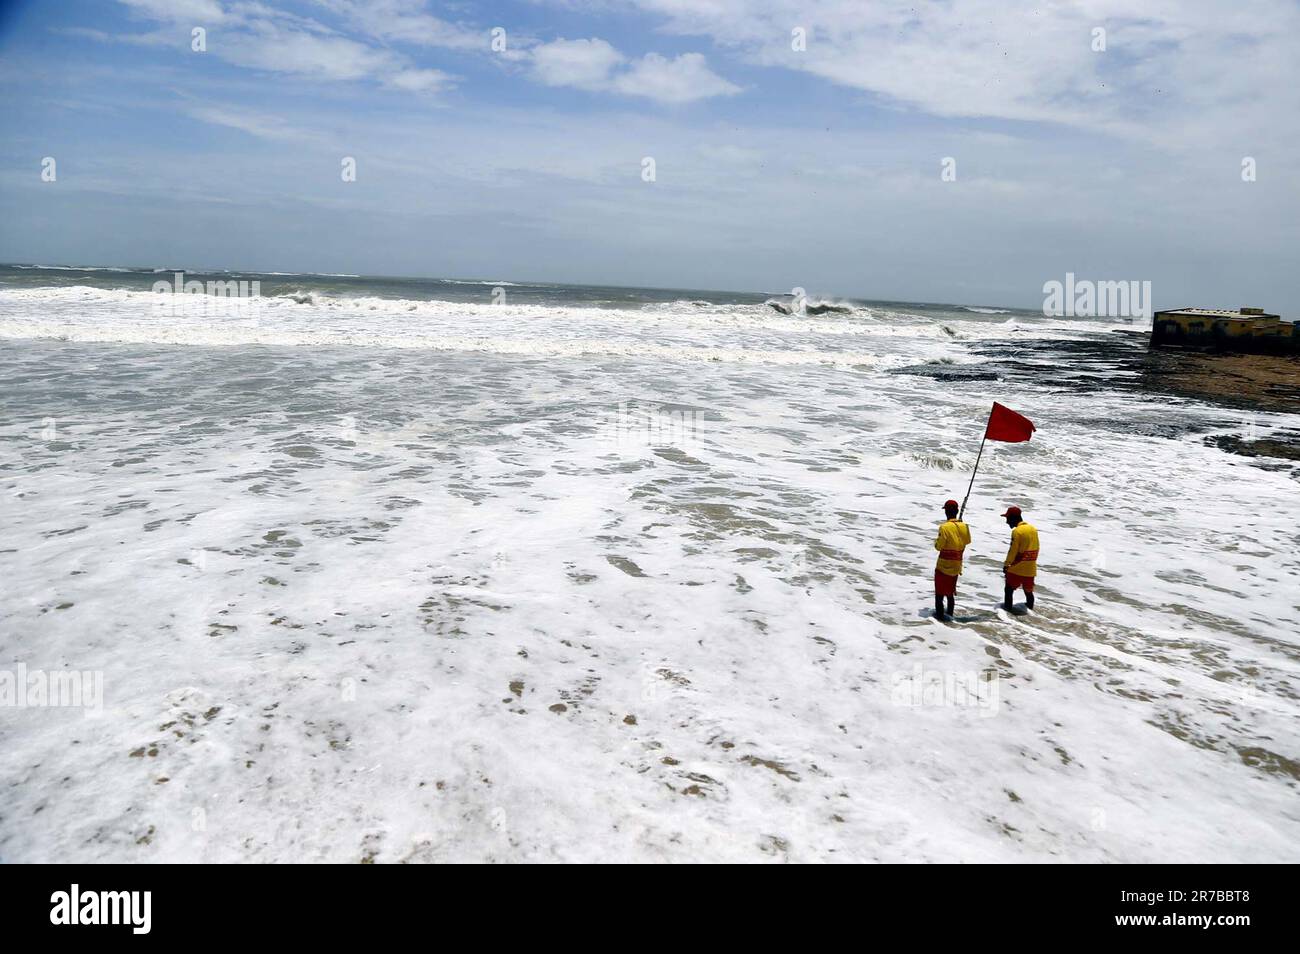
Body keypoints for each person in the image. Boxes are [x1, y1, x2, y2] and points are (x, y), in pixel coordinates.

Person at [933, 499, 971, 620]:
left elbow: (938, 546)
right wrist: (960, 526)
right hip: (956, 565)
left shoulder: (944, 527)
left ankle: (940, 618)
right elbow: (967, 541)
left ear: (946, 512)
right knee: (950, 594)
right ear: (957, 511)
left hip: (943, 566)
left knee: (939, 595)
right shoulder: (964, 526)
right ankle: (949, 616)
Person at [1001, 506, 1039, 611]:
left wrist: (1006, 565)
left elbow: (1013, 551)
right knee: (1028, 592)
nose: (1007, 522)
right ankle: (1030, 612)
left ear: (1013, 518)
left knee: (1008, 589)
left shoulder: (1017, 531)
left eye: (1008, 519)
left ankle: (1007, 613)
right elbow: (1037, 547)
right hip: (1030, 568)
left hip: (1017, 568)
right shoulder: (1033, 529)